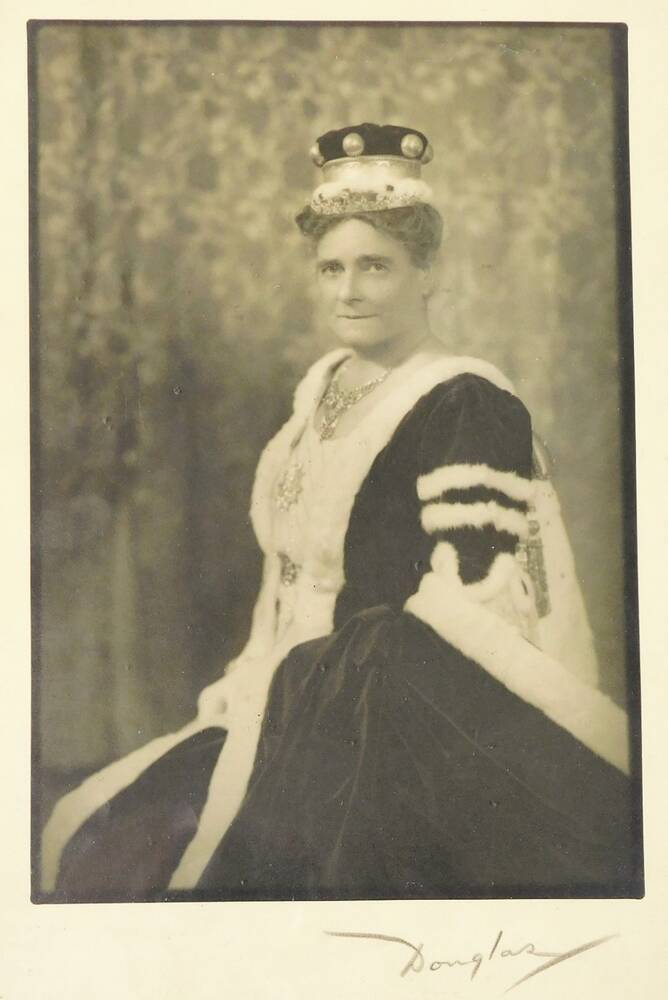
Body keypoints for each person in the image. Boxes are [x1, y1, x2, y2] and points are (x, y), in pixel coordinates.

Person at [42, 123, 635, 902]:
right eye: (331, 268)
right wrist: (258, 682)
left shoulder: (465, 401)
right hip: (278, 699)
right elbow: (287, 583)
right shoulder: (317, 395)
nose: (348, 289)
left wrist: (313, 695)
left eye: (376, 267)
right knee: (106, 835)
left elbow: (478, 625)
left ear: (427, 272)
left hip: (386, 732)